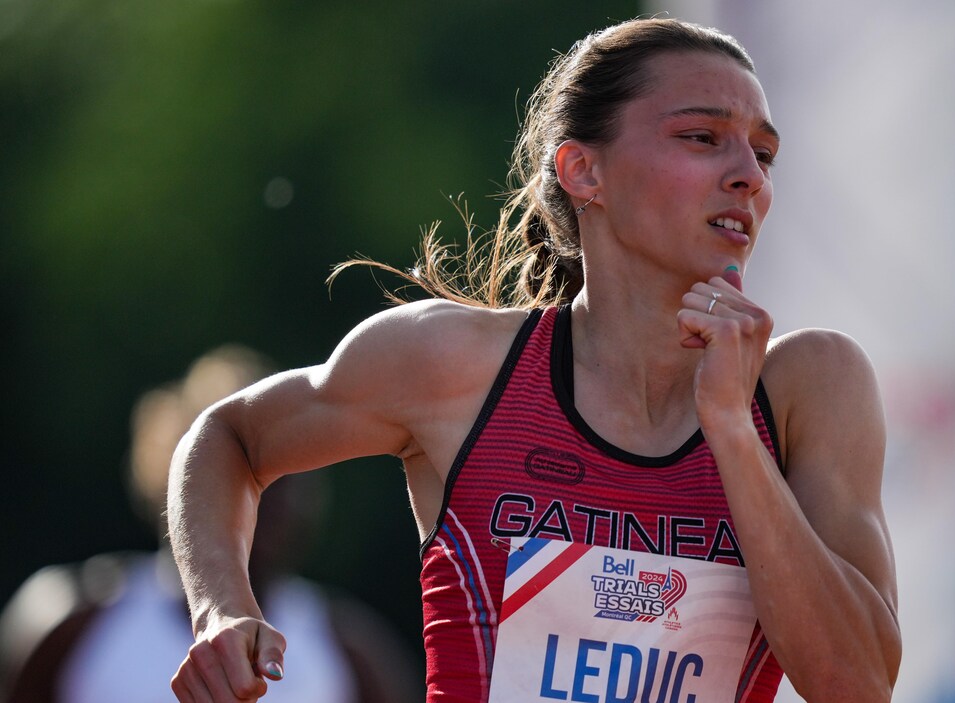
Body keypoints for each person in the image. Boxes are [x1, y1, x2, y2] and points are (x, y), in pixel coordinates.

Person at [167, 17, 901, 703]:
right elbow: (227, 437)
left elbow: (858, 682)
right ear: (585, 172)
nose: (750, 175)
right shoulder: (456, 364)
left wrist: (734, 433)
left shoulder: (809, 386)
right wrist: (221, 610)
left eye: (764, 152)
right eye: (703, 137)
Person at [0, 346, 420, 703]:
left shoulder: (353, 655)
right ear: (177, 482)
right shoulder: (69, 625)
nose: (271, 498)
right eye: (242, 475)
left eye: (287, 475)